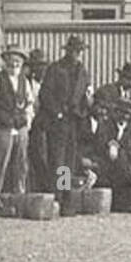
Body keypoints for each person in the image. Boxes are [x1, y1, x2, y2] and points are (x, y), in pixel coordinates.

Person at [40, 35, 92, 205]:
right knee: (58, 160)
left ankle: (67, 197)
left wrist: (83, 111)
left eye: (79, 51)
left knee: (69, 160)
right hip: (58, 121)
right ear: (67, 50)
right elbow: (45, 94)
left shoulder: (83, 71)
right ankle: (58, 197)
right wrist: (57, 113)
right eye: (74, 51)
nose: (77, 54)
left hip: (74, 121)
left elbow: (85, 95)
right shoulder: (55, 69)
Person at [0, 44, 34, 196]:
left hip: (20, 127)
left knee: (21, 164)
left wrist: (27, 122)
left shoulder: (24, 82)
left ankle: (19, 196)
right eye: (11, 60)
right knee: (0, 163)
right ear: (5, 60)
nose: (14, 64)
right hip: (2, 126)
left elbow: (29, 103)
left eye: (18, 61)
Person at [25, 48, 50, 192]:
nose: (42, 69)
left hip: (56, 127)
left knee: (62, 163)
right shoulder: (30, 84)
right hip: (37, 126)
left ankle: (62, 191)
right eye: (38, 66)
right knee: (39, 158)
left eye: (43, 66)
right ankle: (44, 190)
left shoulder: (51, 83)